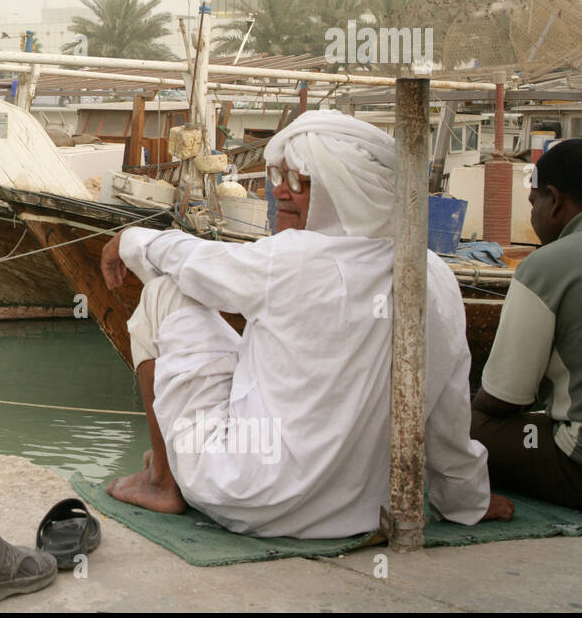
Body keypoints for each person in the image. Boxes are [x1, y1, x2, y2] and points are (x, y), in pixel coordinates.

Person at [100, 109, 513, 538]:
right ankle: (171, 465)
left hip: (244, 494)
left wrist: (127, 239)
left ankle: (163, 481)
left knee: (161, 295)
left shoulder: (289, 260)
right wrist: (467, 501)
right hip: (363, 509)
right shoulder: (436, 277)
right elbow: (447, 412)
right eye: (278, 175)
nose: (279, 191)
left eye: (302, 182)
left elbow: (189, 261)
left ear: (349, 192)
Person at [471, 138, 582, 508]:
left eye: (533, 204)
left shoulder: (548, 266)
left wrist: (462, 404)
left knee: (452, 426)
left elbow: (505, 398)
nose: (532, 216)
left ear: (555, 201)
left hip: (576, 464)